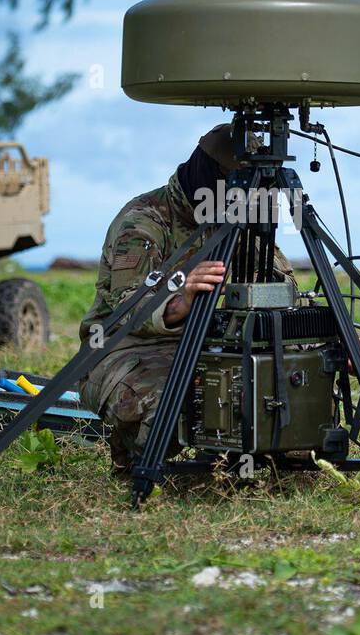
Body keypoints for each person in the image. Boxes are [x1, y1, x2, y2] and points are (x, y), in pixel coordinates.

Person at [79, 124, 294, 470]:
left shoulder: (234, 219)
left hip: (208, 346)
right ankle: (134, 453)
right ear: (209, 173)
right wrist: (179, 300)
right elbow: (126, 307)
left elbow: (282, 284)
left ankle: (237, 458)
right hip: (127, 348)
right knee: (173, 410)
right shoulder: (143, 221)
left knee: (284, 398)